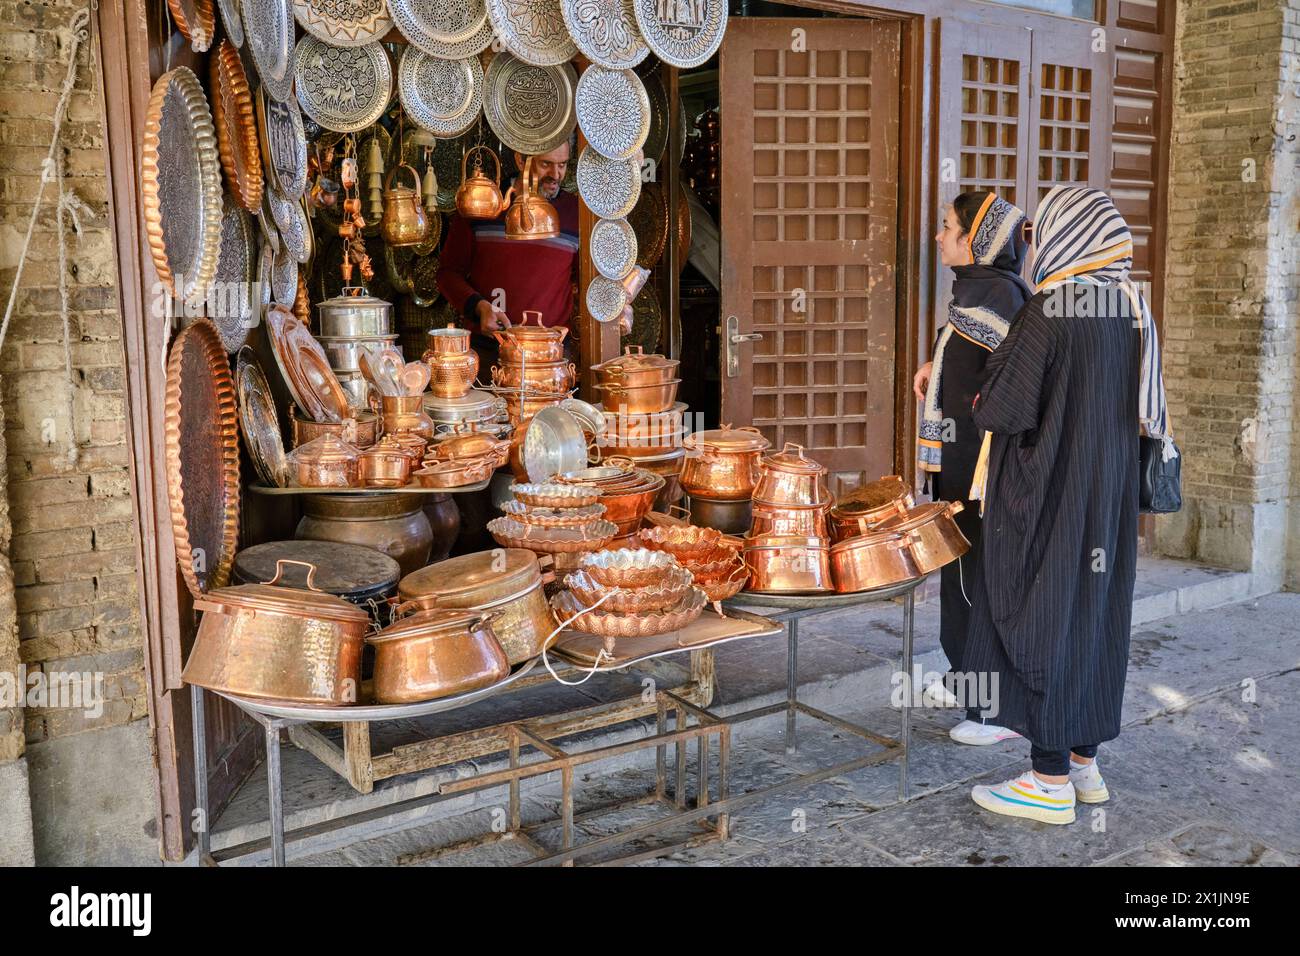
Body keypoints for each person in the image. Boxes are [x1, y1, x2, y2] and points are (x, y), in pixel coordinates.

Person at [963, 185, 1173, 824]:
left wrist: (977, 399)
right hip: (1104, 501)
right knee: (1093, 618)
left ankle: (1047, 779)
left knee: (1041, 614)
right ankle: (1084, 765)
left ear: (1063, 233)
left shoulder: (1053, 309)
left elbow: (1002, 408)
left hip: (1047, 496)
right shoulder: (1132, 308)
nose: (1033, 246)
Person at [913, 191, 1031, 745]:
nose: (938, 236)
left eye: (947, 227)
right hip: (958, 463)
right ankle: (966, 678)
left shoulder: (1003, 296)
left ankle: (997, 708)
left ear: (975, 241)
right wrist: (938, 366)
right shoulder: (977, 291)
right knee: (958, 567)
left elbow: (1010, 382)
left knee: (983, 575)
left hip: (984, 467)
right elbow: (974, 361)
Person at [436, 139, 581, 369]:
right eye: (546, 164)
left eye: (562, 164)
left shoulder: (576, 213)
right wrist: (479, 306)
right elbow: (447, 274)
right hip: (489, 352)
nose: (556, 174)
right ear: (520, 160)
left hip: (550, 356)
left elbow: (585, 282)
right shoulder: (483, 205)